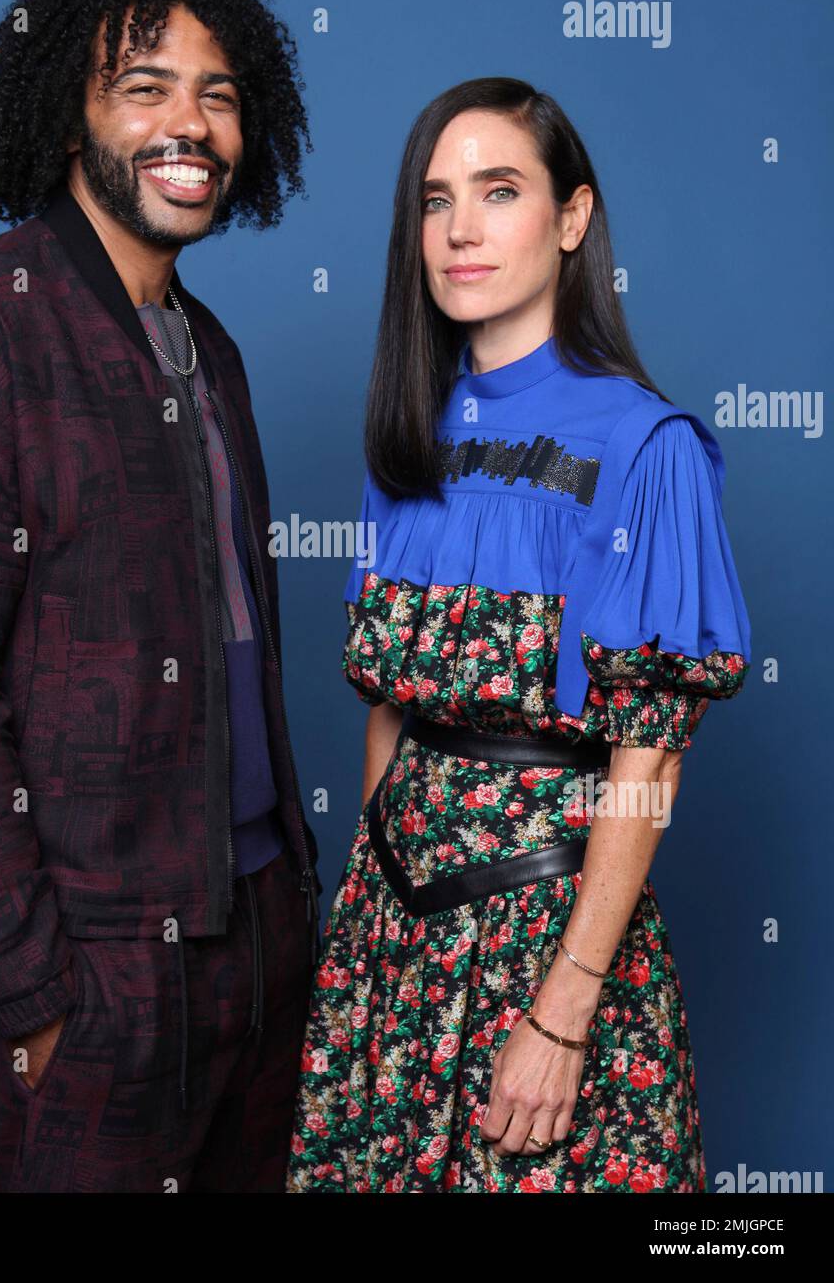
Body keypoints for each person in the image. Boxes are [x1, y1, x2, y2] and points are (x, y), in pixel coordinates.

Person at [0, 0, 322, 1193]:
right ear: (69, 110)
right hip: (97, 967)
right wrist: (30, 992)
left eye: (218, 94)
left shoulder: (204, 348)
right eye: (145, 86)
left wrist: (296, 925)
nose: (190, 123)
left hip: (262, 928)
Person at [286, 77, 751, 1193]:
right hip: (391, 934)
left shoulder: (648, 444)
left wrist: (565, 1006)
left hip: (546, 936)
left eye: (499, 191)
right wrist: (368, 923)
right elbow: (390, 711)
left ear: (573, 219)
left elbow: (650, 754)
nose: (459, 229)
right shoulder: (406, 434)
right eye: (435, 199)